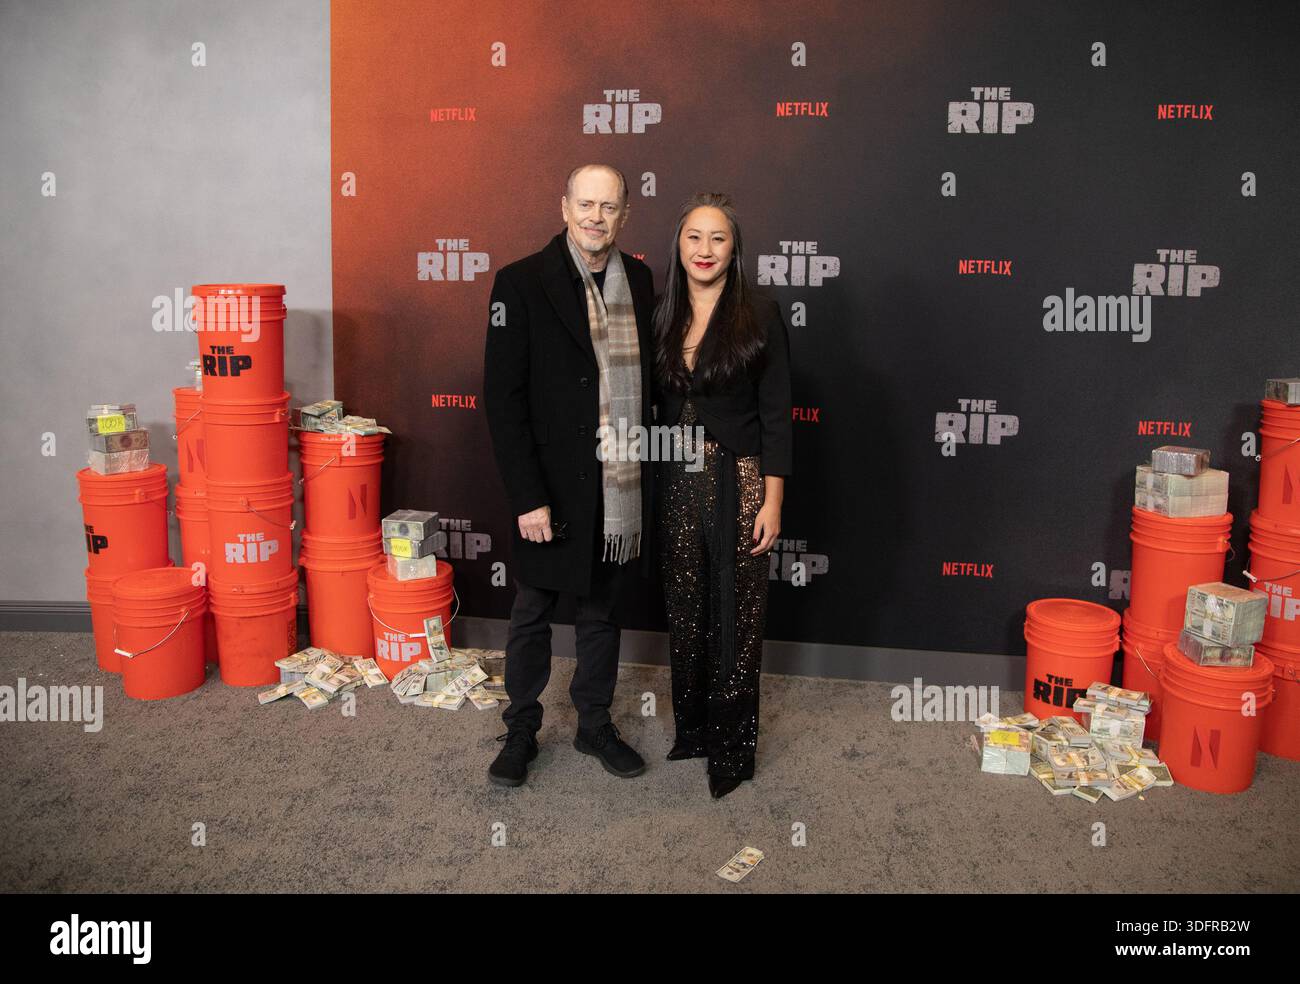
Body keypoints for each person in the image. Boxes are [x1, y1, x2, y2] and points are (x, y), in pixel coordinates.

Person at [482, 164, 656, 787]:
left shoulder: (639, 278)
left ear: (624, 215)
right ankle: (521, 728)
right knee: (531, 612)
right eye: (585, 204)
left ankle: (593, 724)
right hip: (549, 489)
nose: (595, 217)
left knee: (601, 612)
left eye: (608, 207)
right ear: (563, 207)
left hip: (617, 488)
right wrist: (528, 497)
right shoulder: (519, 282)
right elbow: (502, 401)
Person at [653, 193, 793, 799]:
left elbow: (779, 415)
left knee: (736, 616)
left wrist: (773, 500)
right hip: (676, 481)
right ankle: (695, 731)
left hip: (738, 478)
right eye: (694, 237)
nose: (704, 250)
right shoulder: (661, 311)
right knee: (686, 608)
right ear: (678, 246)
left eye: (717, 239)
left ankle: (731, 752)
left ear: (733, 249)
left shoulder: (759, 309)